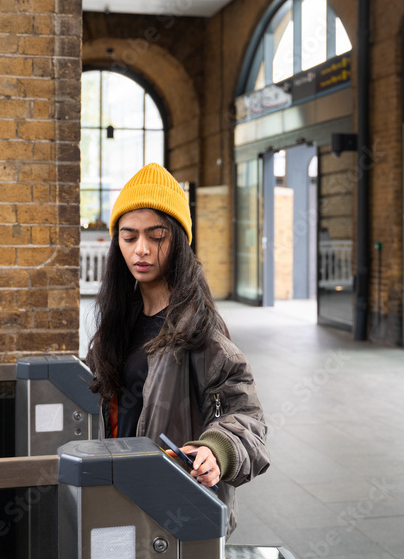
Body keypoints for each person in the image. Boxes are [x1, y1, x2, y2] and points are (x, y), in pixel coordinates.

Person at [86, 162, 270, 536]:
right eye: (129, 236)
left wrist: (217, 450)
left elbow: (248, 419)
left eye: (157, 236)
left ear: (179, 241)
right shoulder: (119, 324)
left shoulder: (202, 333)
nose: (142, 249)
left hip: (179, 510)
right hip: (121, 496)